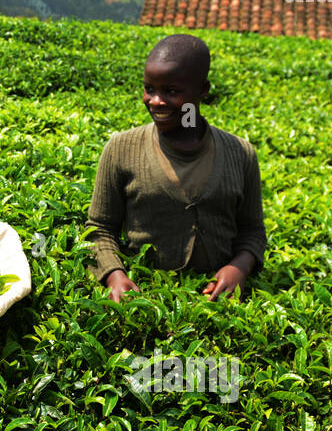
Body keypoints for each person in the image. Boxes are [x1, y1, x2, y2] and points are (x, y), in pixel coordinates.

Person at [85, 34, 266, 302]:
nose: (156, 101)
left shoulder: (240, 154)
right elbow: (98, 229)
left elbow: (252, 232)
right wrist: (114, 274)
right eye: (149, 89)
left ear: (203, 89)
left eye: (172, 91)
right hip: (146, 300)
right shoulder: (121, 148)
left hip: (217, 305)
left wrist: (238, 267)